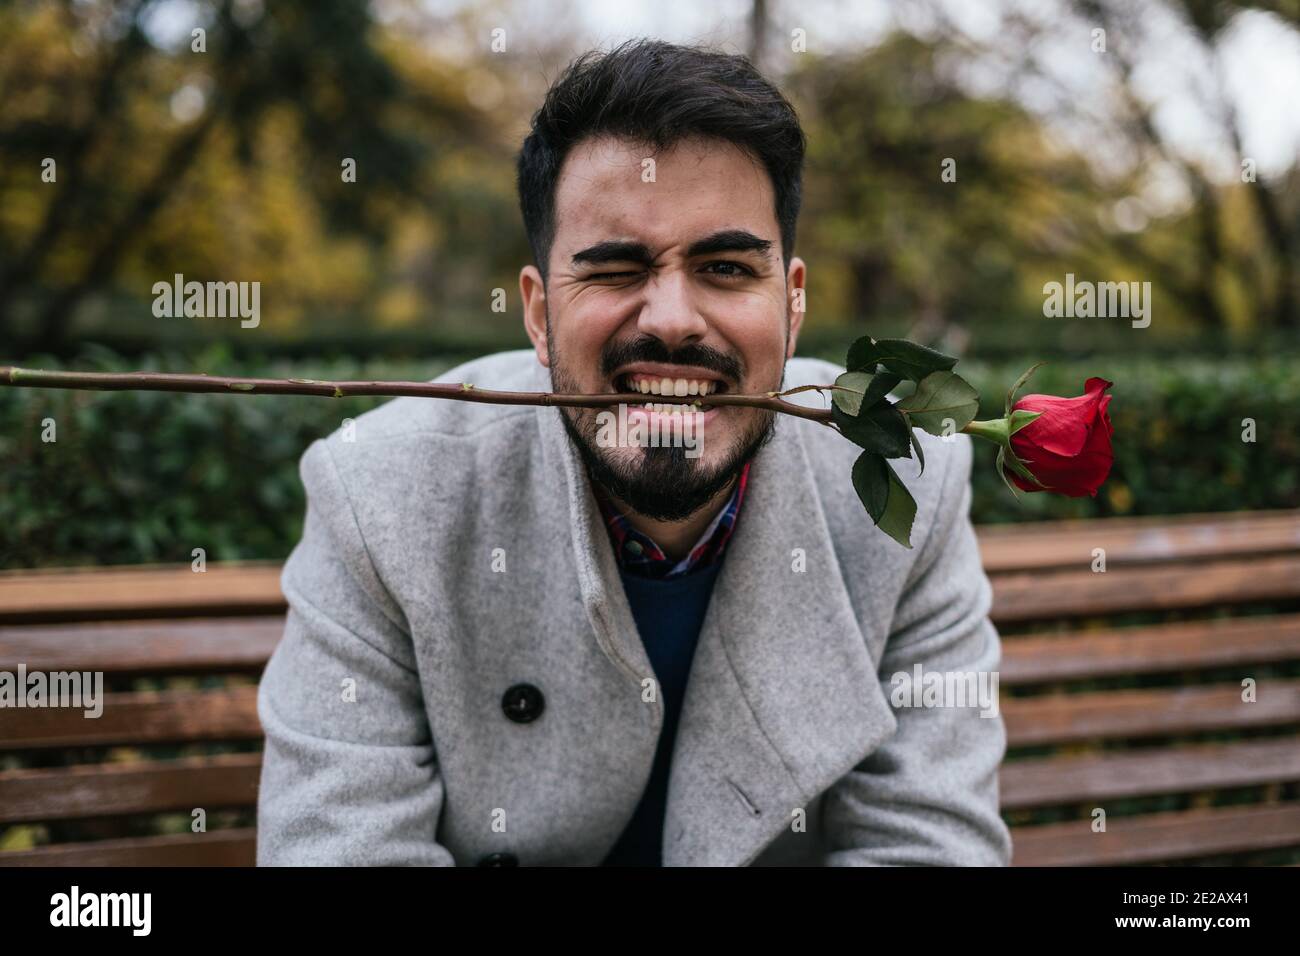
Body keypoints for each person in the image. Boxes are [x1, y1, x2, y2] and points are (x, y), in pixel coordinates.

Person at [256, 39, 1012, 867]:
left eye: (725, 267)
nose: (672, 319)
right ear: (539, 315)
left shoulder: (912, 484)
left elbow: (933, 848)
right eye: (616, 269)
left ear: (793, 307)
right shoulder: (381, 494)